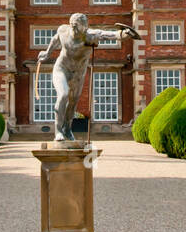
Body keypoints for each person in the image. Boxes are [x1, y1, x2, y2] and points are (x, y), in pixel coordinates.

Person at [38, 13, 139, 144]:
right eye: (72, 25)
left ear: (85, 27)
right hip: (61, 69)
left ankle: (67, 129)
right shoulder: (63, 30)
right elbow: (55, 39)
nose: (73, 28)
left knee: (73, 102)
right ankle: (58, 131)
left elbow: (110, 35)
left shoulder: (91, 35)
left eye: (77, 26)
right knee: (63, 95)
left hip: (78, 73)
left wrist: (124, 34)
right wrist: (47, 53)